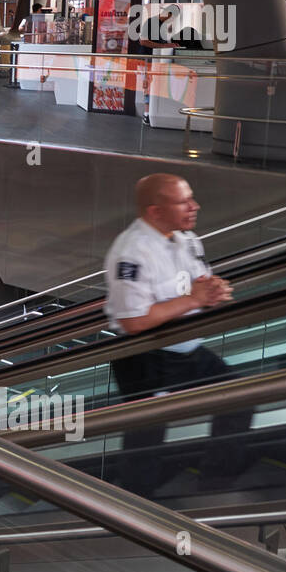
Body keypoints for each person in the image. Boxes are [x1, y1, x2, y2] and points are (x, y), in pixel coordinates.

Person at [104, 173, 251, 495]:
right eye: (183, 201)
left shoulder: (186, 240)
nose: (194, 206)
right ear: (155, 211)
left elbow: (201, 282)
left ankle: (215, 485)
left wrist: (213, 290)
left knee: (240, 397)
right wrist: (194, 299)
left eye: (191, 198)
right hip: (144, 354)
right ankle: (133, 503)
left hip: (186, 347)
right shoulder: (132, 253)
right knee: (147, 431)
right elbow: (133, 321)